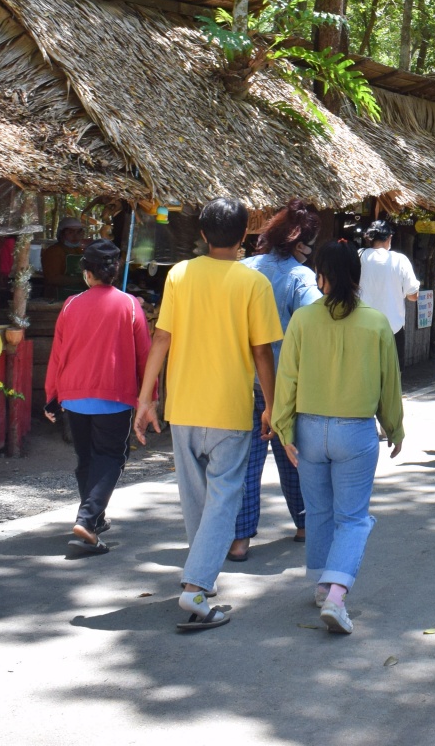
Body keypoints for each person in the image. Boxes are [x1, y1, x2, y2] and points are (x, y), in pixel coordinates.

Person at [132, 197, 281, 631]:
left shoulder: (180, 274)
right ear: (244, 237)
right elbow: (262, 352)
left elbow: (161, 337)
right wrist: (271, 404)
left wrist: (146, 398)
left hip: (184, 406)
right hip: (230, 408)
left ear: (202, 235)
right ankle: (196, 587)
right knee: (223, 498)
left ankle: (201, 577)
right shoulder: (252, 282)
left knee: (195, 496)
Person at [273, 240, 404, 636]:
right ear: (357, 276)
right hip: (356, 431)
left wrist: (283, 428)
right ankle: (336, 595)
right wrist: (395, 427)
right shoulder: (376, 322)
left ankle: (321, 585)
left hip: (310, 431)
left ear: (321, 277)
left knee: (319, 512)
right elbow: (389, 385)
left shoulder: (303, 320)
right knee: (354, 519)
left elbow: (288, 377)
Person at [43, 239, 150, 554]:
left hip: (74, 397)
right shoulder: (130, 305)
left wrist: (52, 395)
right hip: (114, 396)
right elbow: (144, 356)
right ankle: (87, 521)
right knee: (111, 457)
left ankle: (95, 517)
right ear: (114, 272)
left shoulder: (71, 304)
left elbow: (57, 355)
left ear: (87, 273)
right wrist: (149, 397)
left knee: (88, 458)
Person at [235, 200, 320, 559]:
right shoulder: (300, 277)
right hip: (286, 385)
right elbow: (314, 324)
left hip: (242, 383)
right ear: (301, 244)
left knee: (245, 464)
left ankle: (239, 540)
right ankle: (304, 524)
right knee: (294, 459)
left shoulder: (241, 270)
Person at [358, 220, 420, 368]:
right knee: (392, 376)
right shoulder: (399, 260)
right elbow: (413, 295)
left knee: (364, 374)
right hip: (392, 328)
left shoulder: (358, 256)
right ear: (389, 238)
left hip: (361, 328)